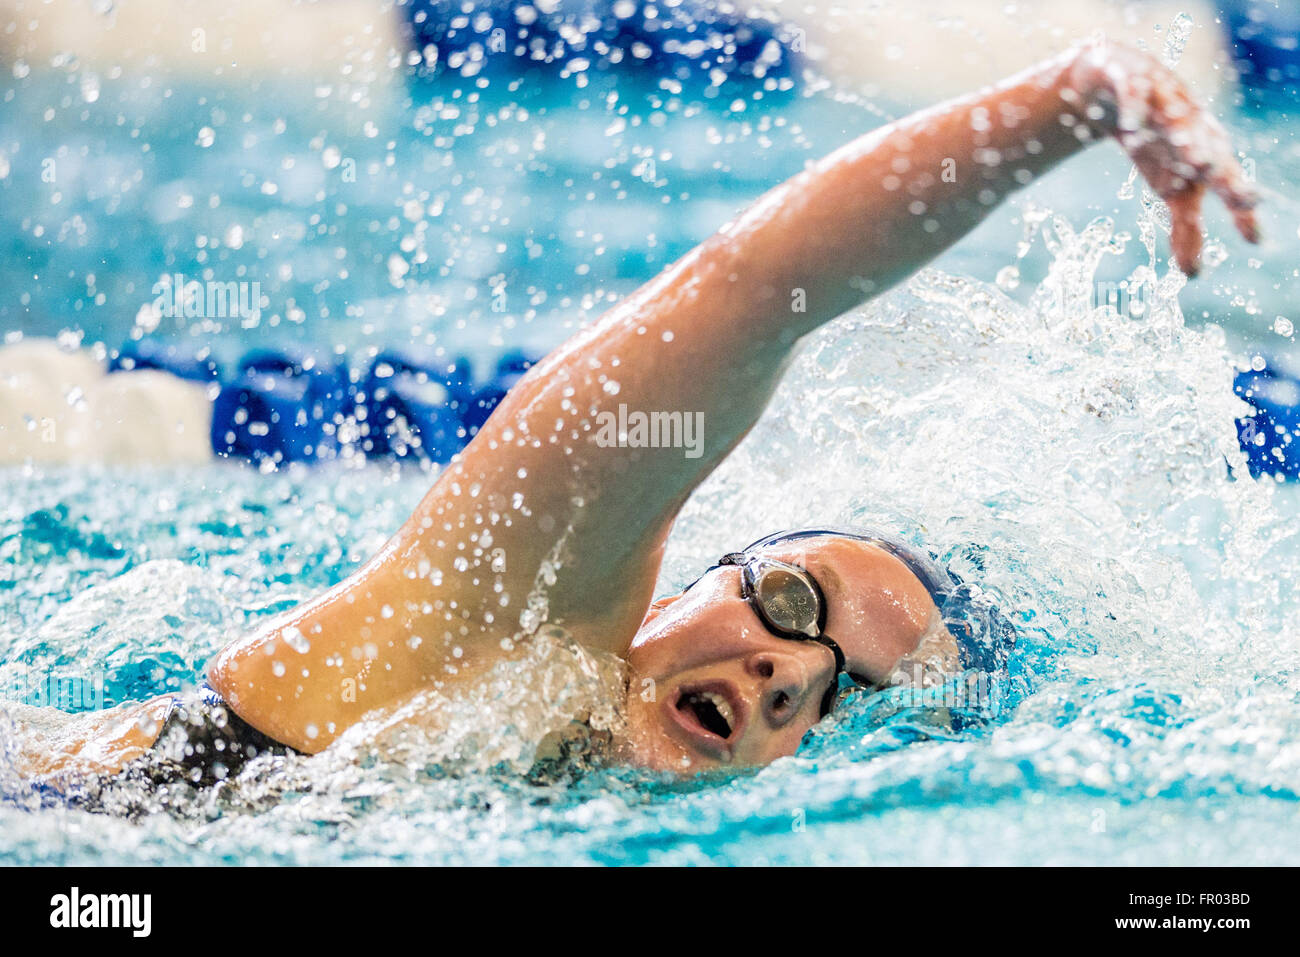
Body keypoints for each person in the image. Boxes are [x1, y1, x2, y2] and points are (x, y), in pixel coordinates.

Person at [15, 36, 1259, 782]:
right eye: (790, 603)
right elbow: (754, 292)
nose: (785, 671)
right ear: (681, 582)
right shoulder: (514, 623)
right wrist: (1064, 105)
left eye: (845, 695)